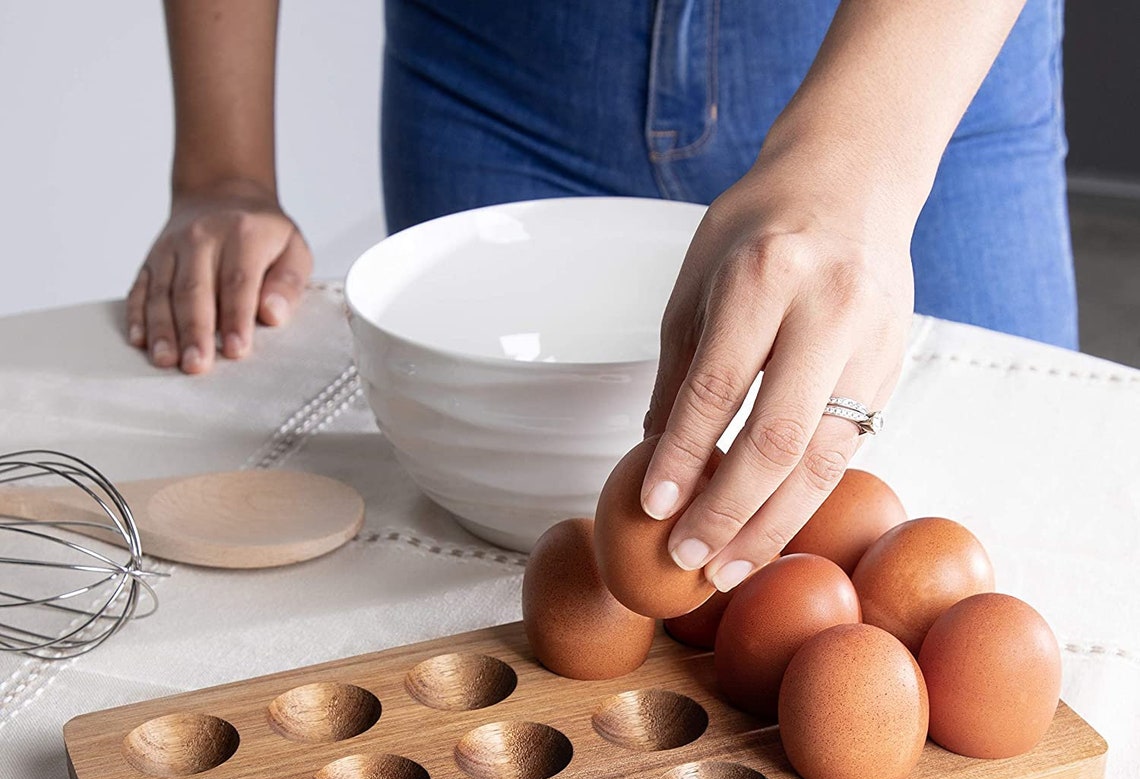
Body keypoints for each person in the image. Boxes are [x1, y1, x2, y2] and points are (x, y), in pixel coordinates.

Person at [128, 0, 1074, 589]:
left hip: (912, 65)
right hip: (503, 67)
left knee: (1000, 563)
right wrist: (225, 171)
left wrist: (862, 156)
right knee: (481, 565)